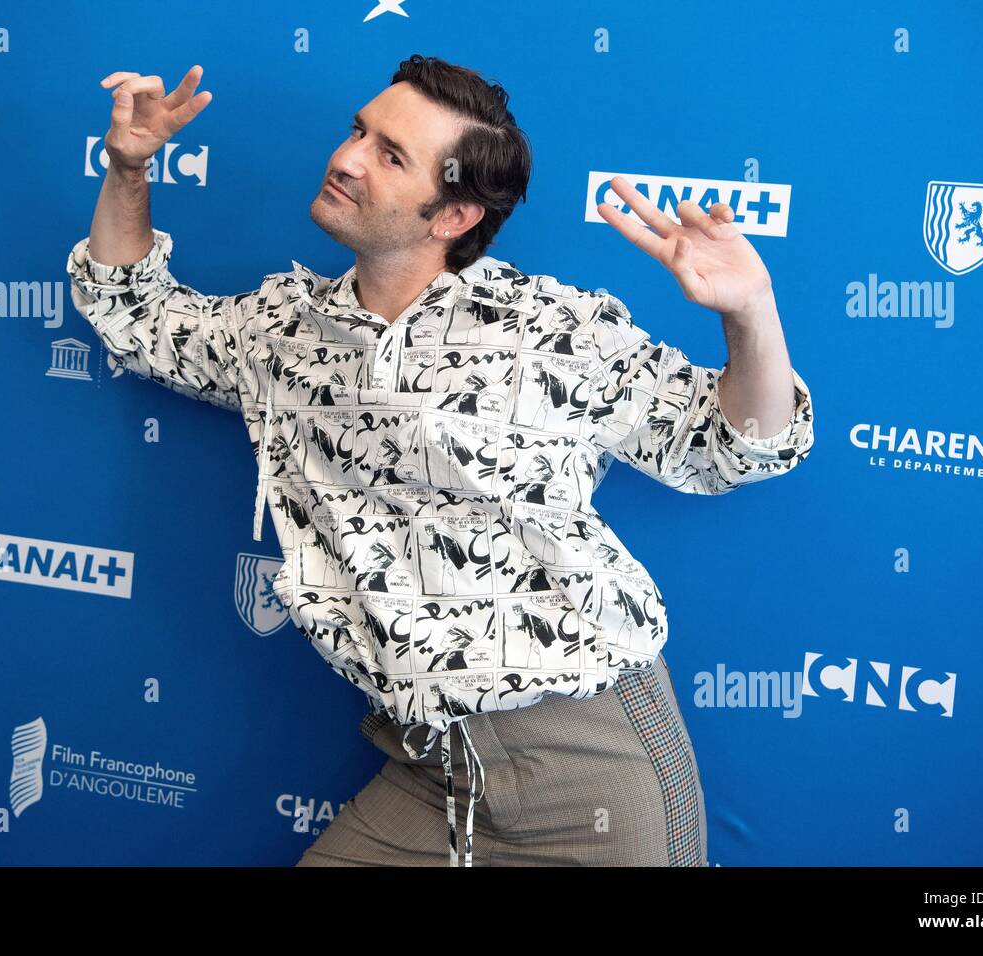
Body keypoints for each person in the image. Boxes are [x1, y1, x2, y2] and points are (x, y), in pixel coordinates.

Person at [66, 54, 815, 867]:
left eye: (390, 155)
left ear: (452, 215)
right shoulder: (282, 332)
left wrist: (751, 313)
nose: (347, 157)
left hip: (590, 765)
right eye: (359, 131)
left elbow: (734, 444)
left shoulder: (549, 327)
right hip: (430, 767)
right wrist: (129, 167)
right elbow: (134, 315)